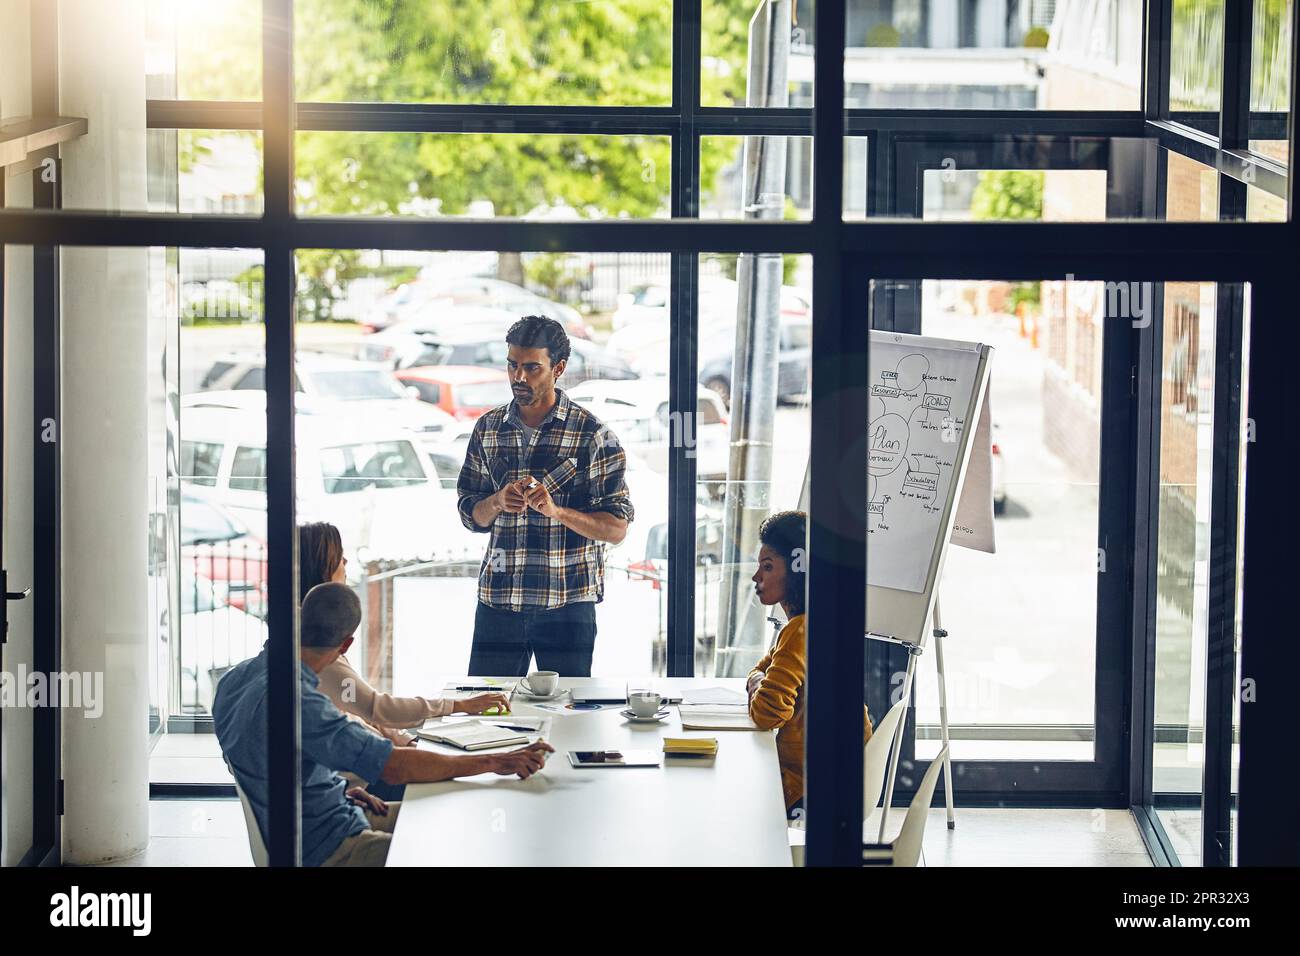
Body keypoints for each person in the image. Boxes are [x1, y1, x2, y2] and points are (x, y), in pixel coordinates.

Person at [213, 581, 553, 867]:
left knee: (450, 817)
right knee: (461, 848)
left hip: (316, 818)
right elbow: (395, 767)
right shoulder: (300, 702)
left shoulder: (234, 680)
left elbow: (268, 760)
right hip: (329, 845)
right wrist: (497, 761)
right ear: (346, 644)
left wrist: (338, 788)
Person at [457, 315, 634, 677]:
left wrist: (557, 511)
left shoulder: (593, 435)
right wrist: (496, 502)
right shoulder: (488, 429)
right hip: (499, 601)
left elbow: (616, 529)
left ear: (559, 369)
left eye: (531, 368)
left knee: (569, 718)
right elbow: (469, 513)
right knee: (486, 712)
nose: (519, 378)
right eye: (512, 366)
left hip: (567, 604)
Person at [299, 521, 510, 746]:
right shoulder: (313, 640)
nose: (346, 562)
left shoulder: (306, 622)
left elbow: (362, 710)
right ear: (322, 566)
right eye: (340, 557)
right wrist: (459, 705)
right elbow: (375, 708)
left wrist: (406, 741)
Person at [746, 510, 873, 818]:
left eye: (767, 567)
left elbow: (766, 713)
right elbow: (760, 670)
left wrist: (757, 683)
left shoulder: (800, 630)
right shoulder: (808, 624)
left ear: (797, 571)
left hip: (807, 788)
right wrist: (759, 680)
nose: (756, 578)